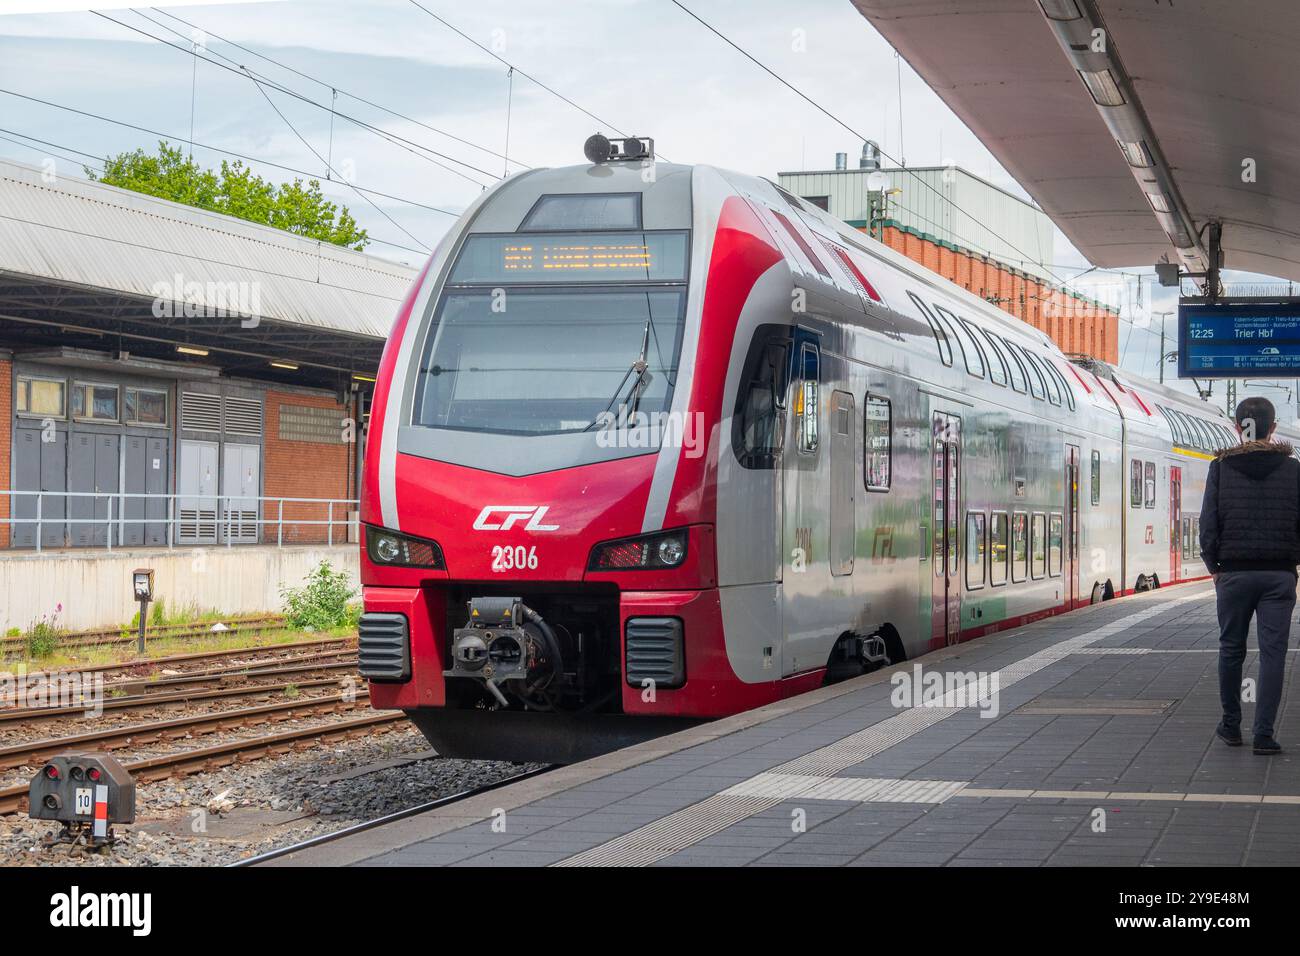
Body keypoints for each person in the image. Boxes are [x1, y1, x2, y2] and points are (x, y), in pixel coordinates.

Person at [1200, 396, 1300, 755]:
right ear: (1273, 428)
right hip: (1278, 576)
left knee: (1231, 648)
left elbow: (1208, 524)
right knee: (1273, 654)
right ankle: (1264, 734)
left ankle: (1230, 725)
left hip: (1234, 574)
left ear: (1236, 426)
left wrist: (1214, 566)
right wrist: (1292, 562)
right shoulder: (1293, 469)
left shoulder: (1221, 468)